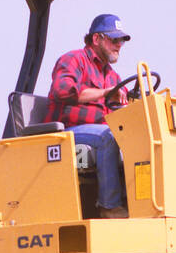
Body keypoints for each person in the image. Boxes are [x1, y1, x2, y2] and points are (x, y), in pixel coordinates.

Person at [46, 13, 132, 218]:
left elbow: (124, 105)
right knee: (108, 136)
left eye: (121, 40)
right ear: (96, 39)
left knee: (136, 137)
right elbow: (62, 91)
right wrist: (104, 92)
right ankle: (109, 206)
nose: (119, 45)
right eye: (114, 39)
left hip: (96, 131)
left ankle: (136, 203)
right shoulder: (74, 60)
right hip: (64, 133)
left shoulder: (112, 76)